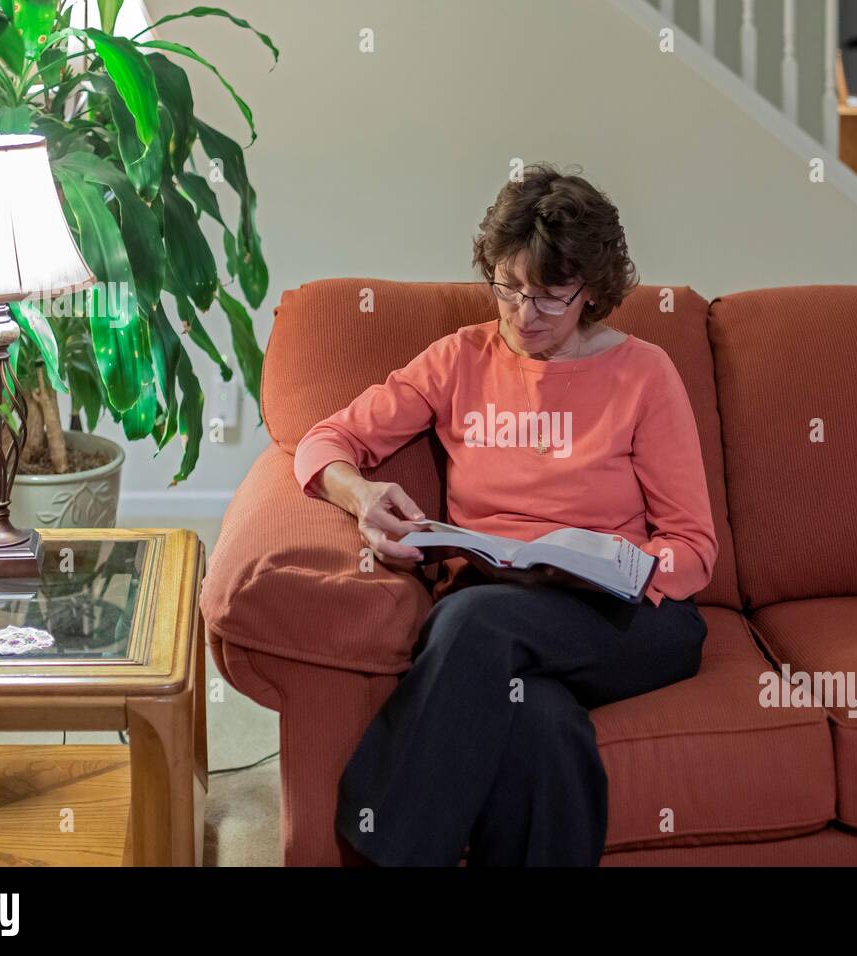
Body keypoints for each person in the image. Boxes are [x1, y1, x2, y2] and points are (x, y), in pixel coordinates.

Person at [293, 163, 718, 866]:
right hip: (501, 610)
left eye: (549, 297)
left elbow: (694, 548)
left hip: (630, 618)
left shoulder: (646, 375)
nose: (523, 316)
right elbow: (324, 441)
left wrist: (627, 569)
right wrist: (361, 496)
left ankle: (382, 853)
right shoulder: (459, 360)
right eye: (509, 289)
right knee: (539, 722)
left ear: (593, 291)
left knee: (469, 623)